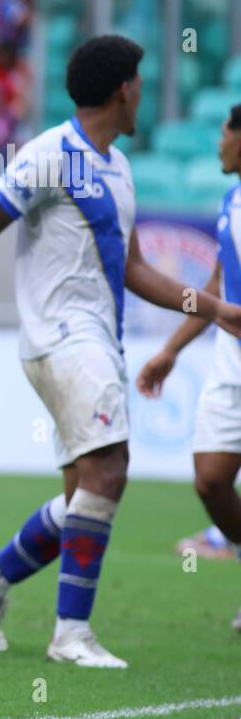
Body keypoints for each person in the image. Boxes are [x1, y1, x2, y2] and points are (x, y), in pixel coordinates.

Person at [0, 35, 241, 667]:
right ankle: (71, 635)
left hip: (94, 342)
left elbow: (135, 270)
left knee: (86, 493)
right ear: (122, 89)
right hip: (62, 338)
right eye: (139, 81)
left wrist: (214, 308)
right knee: (110, 473)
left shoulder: (118, 166)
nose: (143, 92)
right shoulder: (51, 154)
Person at [135, 103, 241, 632]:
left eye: (225, 133)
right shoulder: (231, 200)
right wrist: (173, 349)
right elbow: (219, 289)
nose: (218, 142)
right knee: (210, 483)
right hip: (230, 368)